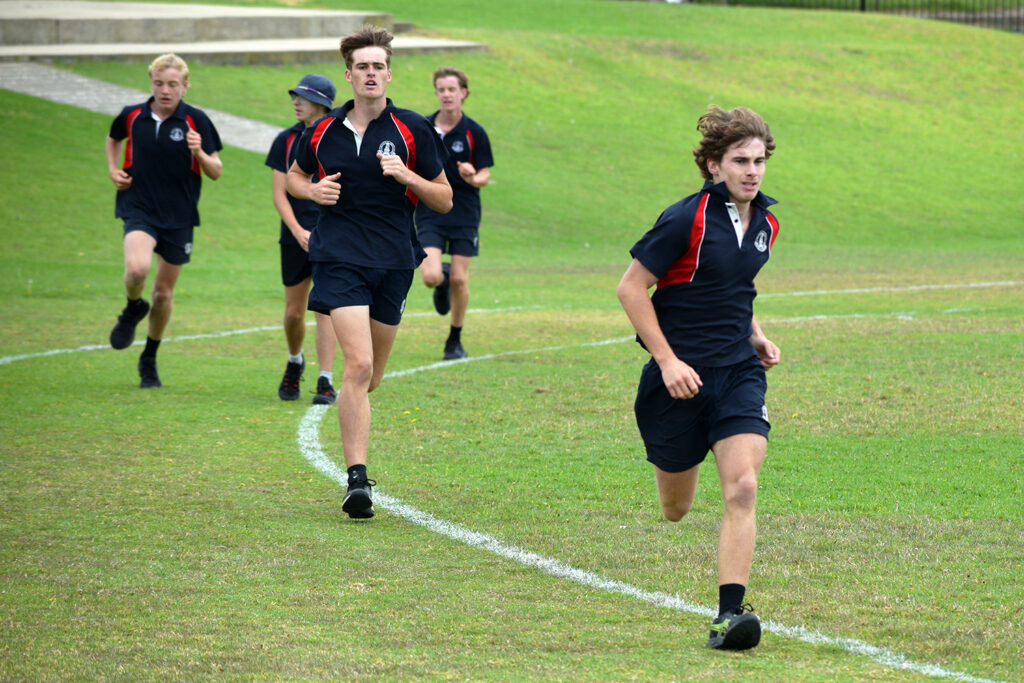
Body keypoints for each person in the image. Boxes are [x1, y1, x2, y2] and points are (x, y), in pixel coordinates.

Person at [616, 105, 781, 651]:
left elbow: (735, 287)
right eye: (740, 160)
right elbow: (631, 288)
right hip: (678, 379)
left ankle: (729, 615)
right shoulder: (685, 218)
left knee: (743, 486)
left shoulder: (768, 223)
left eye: (759, 161)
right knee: (676, 508)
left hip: (737, 372)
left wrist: (755, 334)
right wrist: (667, 361)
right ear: (714, 165)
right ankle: (673, 462)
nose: (752, 171)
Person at [286, 27, 452, 519]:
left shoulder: (413, 129)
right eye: (362, 66)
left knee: (371, 377)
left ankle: (354, 422)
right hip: (338, 257)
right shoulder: (321, 131)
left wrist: (407, 176)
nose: (371, 73)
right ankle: (357, 481)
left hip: (395, 260)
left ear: (389, 73)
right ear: (349, 75)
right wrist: (311, 192)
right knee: (355, 367)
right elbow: (295, 176)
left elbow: (443, 198)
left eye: (378, 66)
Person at [105, 53, 223, 388]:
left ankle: (149, 358)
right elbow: (113, 138)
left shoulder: (196, 120)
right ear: (151, 83)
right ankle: (131, 308)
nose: (165, 90)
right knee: (137, 269)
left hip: (179, 215)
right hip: (138, 207)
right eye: (159, 83)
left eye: (173, 84)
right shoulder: (132, 117)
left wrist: (199, 152)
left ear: (185, 86)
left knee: (162, 296)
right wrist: (113, 169)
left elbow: (216, 171)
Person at [265, 74, 340, 405]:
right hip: (294, 234)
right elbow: (280, 194)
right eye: (294, 96)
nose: (296, 102)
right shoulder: (285, 139)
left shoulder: (339, 136)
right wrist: (297, 231)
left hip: (332, 235)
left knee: (324, 309)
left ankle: (325, 380)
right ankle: (295, 360)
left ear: (323, 104)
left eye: (304, 98)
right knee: (295, 313)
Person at [415, 66, 494, 360]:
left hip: (464, 213)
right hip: (430, 210)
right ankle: (442, 279)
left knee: (461, 280)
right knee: (430, 276)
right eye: (441, 89)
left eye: (452, 89)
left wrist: (473, 177)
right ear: (436, 93)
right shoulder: (423, 127)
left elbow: (485, 174)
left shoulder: (474, 132)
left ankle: (454, 340)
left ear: (463, 93)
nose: (446, 95)